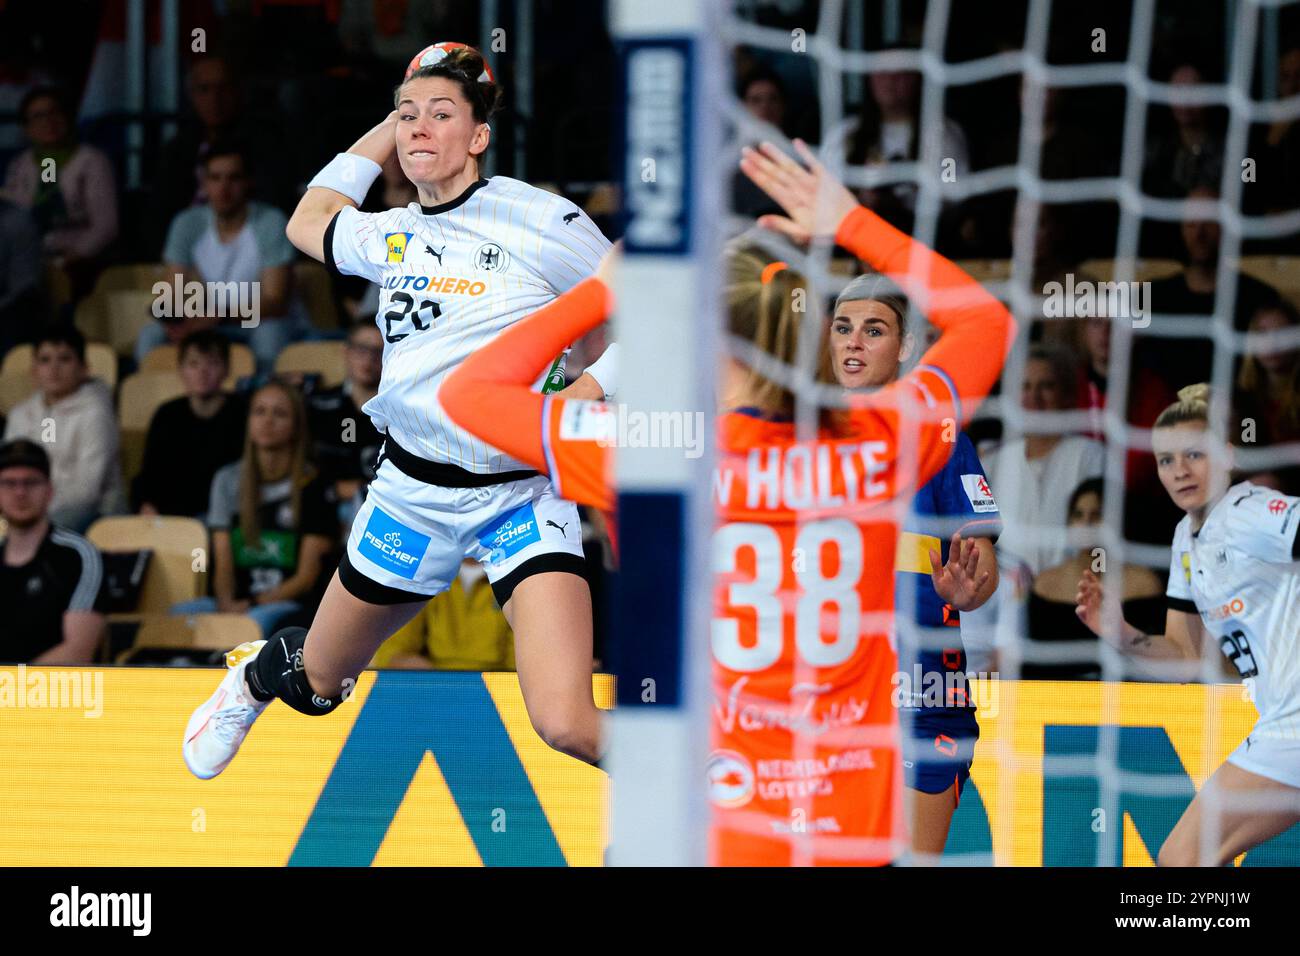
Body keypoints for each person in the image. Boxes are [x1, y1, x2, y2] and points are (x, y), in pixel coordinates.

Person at [440, 138, 1017, 865]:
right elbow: (986, 322)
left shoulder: (644, 452)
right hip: (847, 816)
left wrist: (606, 290)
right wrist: (847, 220)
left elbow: (467, 394)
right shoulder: (878, 440)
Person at [183, 44, 611, 783]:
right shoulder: (390, 233)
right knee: (318, 688)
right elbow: (308, 220)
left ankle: (718, 791)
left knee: (567, 723)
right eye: (406, 116)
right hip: (411, 496)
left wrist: (591, 387)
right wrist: (404, 116)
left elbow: (655, 308)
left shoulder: (542, 218)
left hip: (519, 493)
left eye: (442, 117)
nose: (419, 128)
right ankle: (255, 678)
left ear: (480, 136)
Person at [1076, 384, 1300, 865]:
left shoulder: (1249, 510)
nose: (1179, 471)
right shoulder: (1186, 538)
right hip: (1280, 719)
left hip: (1294, 725)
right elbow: (1184, 656)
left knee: (1183, 858)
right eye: (1165, 460)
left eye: (1194, 454)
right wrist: (1119, 631)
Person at [822, 272, 1000, 861]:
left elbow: (982, 574)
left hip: (923, 700)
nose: (853, 343)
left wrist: (968, 587)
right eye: (843, 328)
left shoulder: (941, 439)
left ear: (904, 349)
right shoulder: (798, 440)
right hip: (826, 701)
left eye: (873, 331)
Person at [173, 380, 337, 638]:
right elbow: (222, 558)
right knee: (178, 617)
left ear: (296, 426)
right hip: (237, 603)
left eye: (279, 413)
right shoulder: (227, 480)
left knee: (256, 624)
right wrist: (226, 602)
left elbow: (306, 577)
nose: (267, 421)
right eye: (259, 411)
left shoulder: (315, 484)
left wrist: (253, 605)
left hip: (287, 606)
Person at [136, 141, 308, 375]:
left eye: (233, 178)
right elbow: (170, 294)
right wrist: (179, 321)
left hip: (255, 323)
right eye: (215, 178)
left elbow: (275, 302)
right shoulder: (187, 223)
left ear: (249, 182)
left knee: (269, 334)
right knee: (151, 334)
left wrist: (218, 316)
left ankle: (260, 402)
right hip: (205, 323)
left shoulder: (270, 221)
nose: (224, 188)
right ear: (203, 184)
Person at [980, 345, 1104, 574]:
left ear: (1067, 395)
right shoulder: (993, 463)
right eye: (1025, 387)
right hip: (1004, 600)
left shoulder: (1090, 455)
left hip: (1069, 593)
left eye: (1046, 386)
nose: (1034, 398)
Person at [1027, 477, 1164, 680]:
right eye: (1078, 515)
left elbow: (1156, 658)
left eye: (1097, 515)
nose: (1086, 524)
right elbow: (1035, 665)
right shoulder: (1044, 584)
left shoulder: (1145, 584)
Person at [0, 86, 118, 298]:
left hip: (78, 259)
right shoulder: (20, 165)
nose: (48, 121)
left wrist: (74, 254)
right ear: (27, 128)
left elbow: (106, 226)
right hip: (29, 256)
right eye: (38, 116)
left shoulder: (92, 160)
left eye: (54, 112)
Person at [3, 326, 122, 532]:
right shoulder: (20, 414)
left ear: (84, 368)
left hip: (93, 513)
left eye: (65, 359)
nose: (54, 368)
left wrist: (35, 507)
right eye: (45, 360)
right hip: (32, 506)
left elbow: (87, 491)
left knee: (42, 532)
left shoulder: (96, 413)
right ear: (34, 370)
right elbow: (8, 470)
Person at [0, 438, 104, 664]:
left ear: (49, 491)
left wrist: (14, 689)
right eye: (9, 483)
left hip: (53, 694)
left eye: (31, 482)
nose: (20, 492)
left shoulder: (77, 556)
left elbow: (78, 652)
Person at [132, 329, 247, 518]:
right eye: (193, 364)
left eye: (213, 363)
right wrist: (146, 504)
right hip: (169, 517)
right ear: (181, 370)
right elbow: (149, 473)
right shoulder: (166, 414)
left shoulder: (242, 412)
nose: (202, 372)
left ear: (226, 370)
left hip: (224, 516)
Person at [370, 560, 515, 671]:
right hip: (430, 691)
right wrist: (440, 687)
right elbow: (394, 652)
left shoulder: (516, 575)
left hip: (498, 693)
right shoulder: (422, 573)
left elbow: (521, 661)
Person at [305, 319, 383, 504]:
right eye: (361, 349)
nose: (369, 359)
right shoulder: (316, 403)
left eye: (379, 352)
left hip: (380, 505)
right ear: (346, 351)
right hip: (320, 505)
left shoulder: (401, 412)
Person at [1233, 299, 1300, 495]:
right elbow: (1248, 447)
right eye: (1262, 334)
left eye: (1280, 333)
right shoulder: (1245, 398)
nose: (1271, 343)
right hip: (1260, 496)